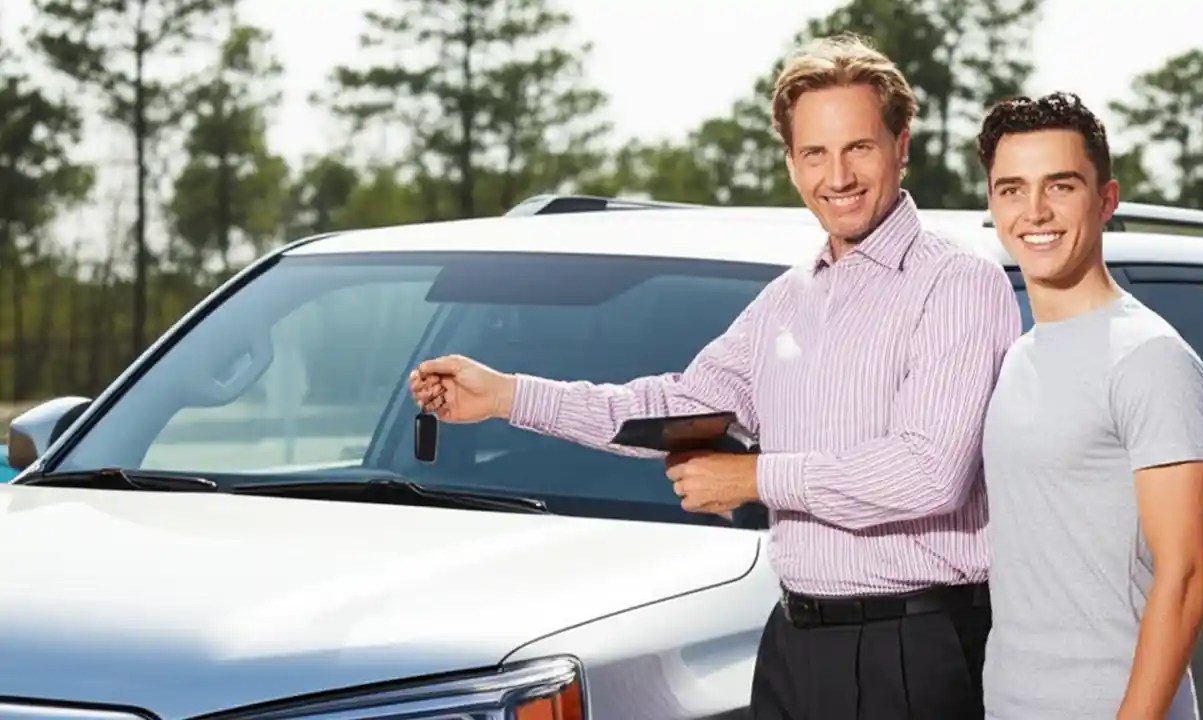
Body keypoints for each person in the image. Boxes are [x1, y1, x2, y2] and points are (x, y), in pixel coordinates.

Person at [410, 34, 1020, 719]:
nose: (837, 176)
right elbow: (673, 405)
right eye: (815, 153)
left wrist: (754, 477)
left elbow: (928, 471)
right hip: (794, 642)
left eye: (859, 148)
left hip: (913, 647)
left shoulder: (959, 284)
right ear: (791, 164)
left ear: (901, 145)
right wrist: (508, 396)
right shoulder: (787, 302)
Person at [976, 92, 1203, 720]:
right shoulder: (1017, 355)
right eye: (1012, 189)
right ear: (993, 205)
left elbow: (1186, 577)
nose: (1035, 211)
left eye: (1060, 185)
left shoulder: (1150, 358)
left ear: (1105, 199)